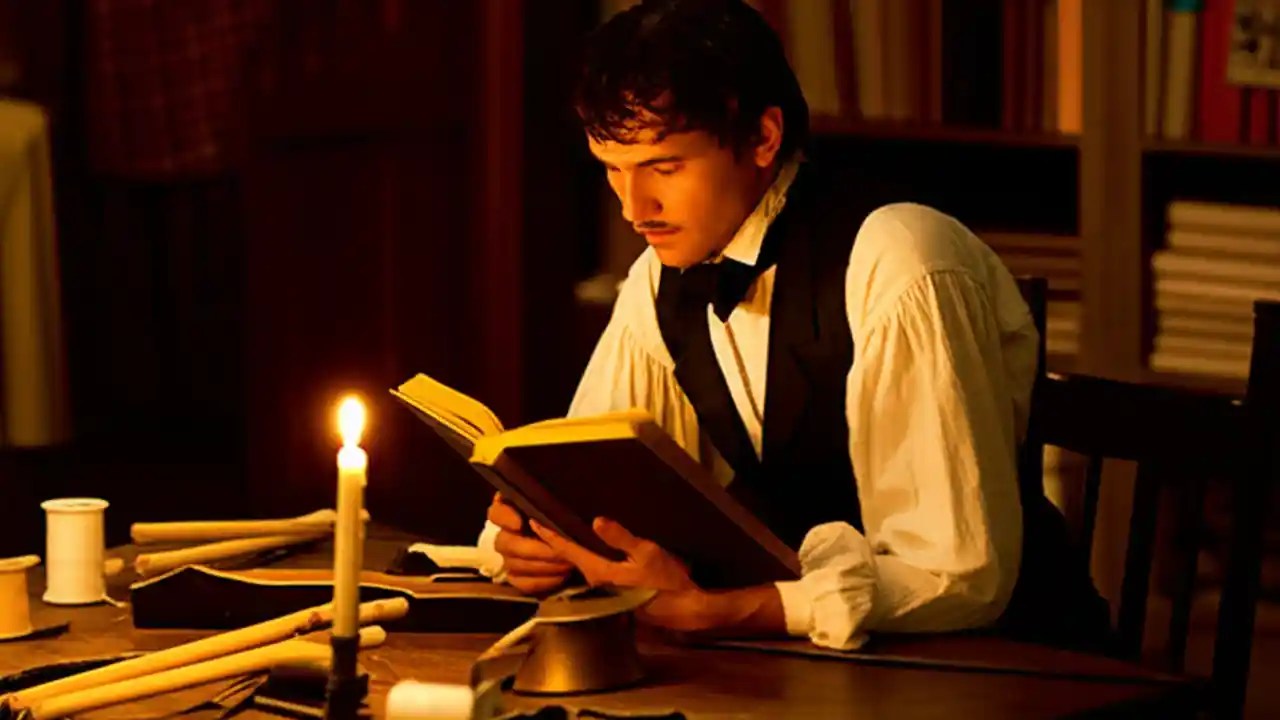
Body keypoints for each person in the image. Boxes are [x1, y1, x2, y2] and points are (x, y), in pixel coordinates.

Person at [476, 0, 1111, 652]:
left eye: (665, 168)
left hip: (1012, 663)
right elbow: (591, 468)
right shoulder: (660, 275)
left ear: (762, 138)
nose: (635, 208)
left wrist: (720, 611)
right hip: (816, 667)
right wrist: (545, 540)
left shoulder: (902, 263)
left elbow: (957, 574)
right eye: (613, 168)